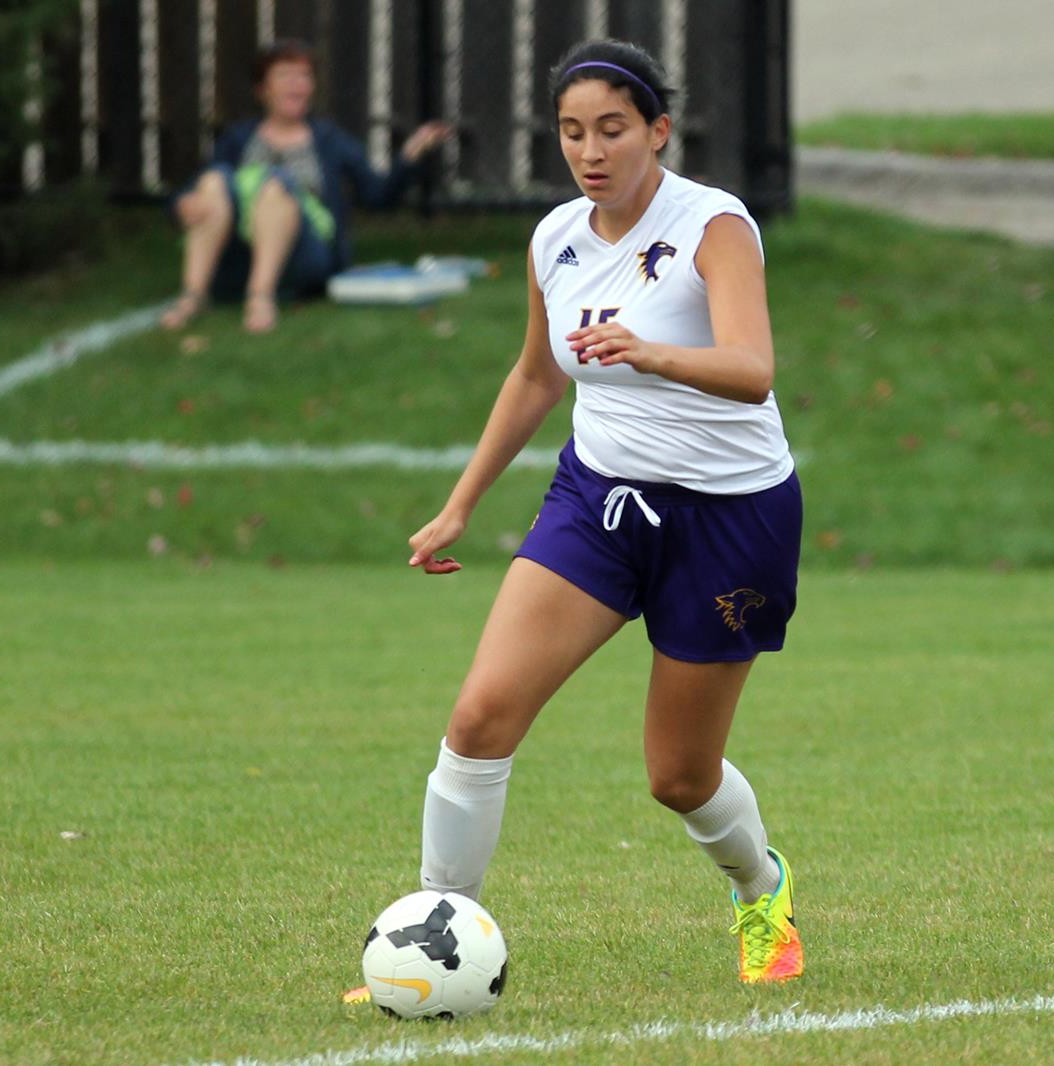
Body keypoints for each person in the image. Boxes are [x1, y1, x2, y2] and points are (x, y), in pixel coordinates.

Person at [352, 38, 805, 1002]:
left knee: (679, 777)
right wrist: (460, 503)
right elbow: (535, 376)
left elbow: (753, 368)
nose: (590, 152)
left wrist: (650, 352)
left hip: (731, 520)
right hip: (598, 502)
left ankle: (761, 890)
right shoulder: (555, 237)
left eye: (612, 129)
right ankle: (434, 938)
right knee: (479, 719)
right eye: (570, 132)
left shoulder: (714, 225)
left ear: (658, 131)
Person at [161, 40, 450, 333]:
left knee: (274, 185)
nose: (297, 85)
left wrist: (410, 155)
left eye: (304, 76)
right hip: (239, 256)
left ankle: (260, 297)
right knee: (214, 179)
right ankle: (193, 295)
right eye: (285, 76)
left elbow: (379, 196)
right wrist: (181, 205)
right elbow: (192, 193)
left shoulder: (330, 140)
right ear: (262, 89)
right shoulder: (238, 139)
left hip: (305, 258)